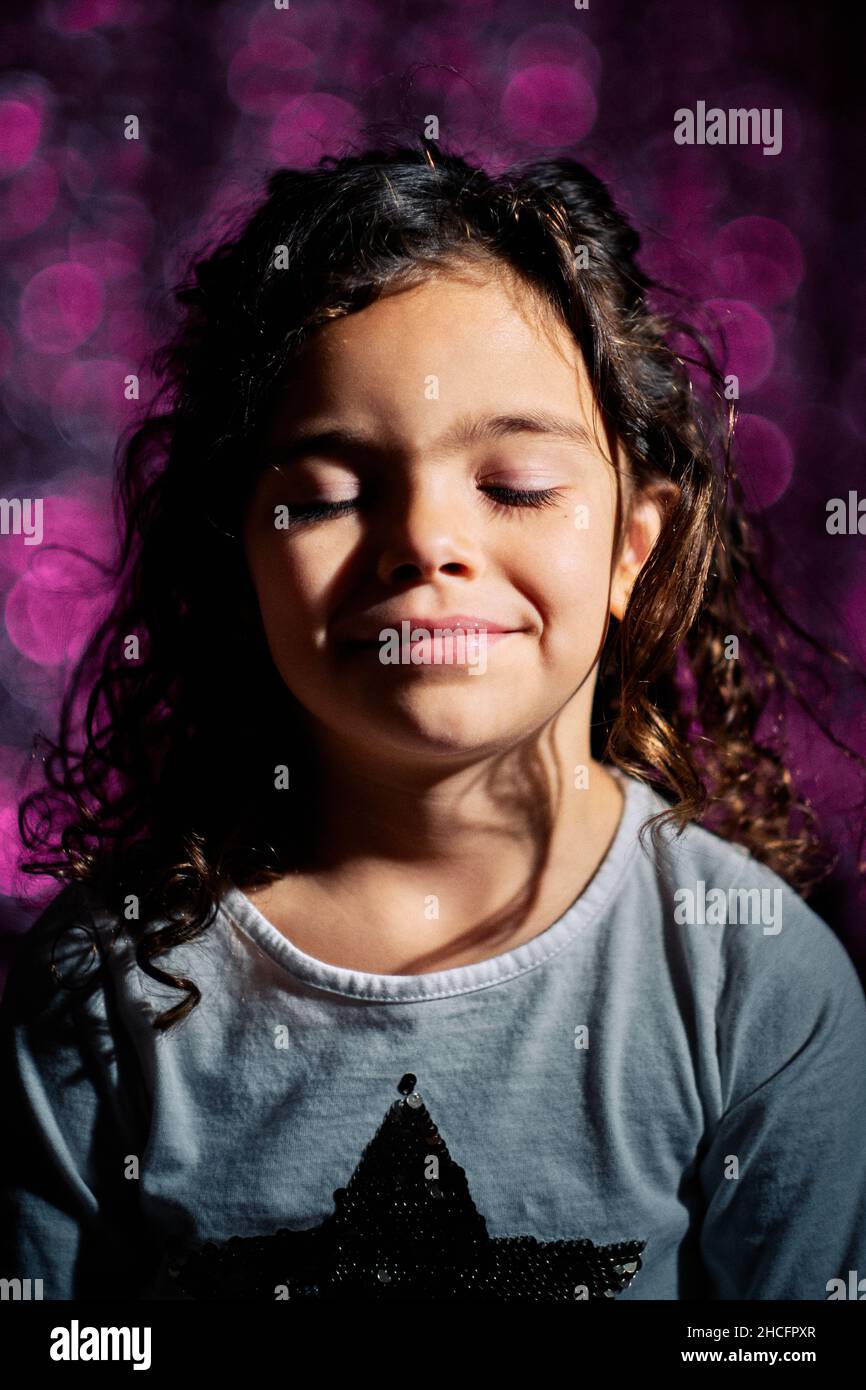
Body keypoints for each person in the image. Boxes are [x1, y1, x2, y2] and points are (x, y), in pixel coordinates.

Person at [2, 142, 865, 1302]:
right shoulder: (103, 985)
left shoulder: (749, 978)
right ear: (238, 549)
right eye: (326, 493)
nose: (423, 542)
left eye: (511, 485)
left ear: (630, 544)